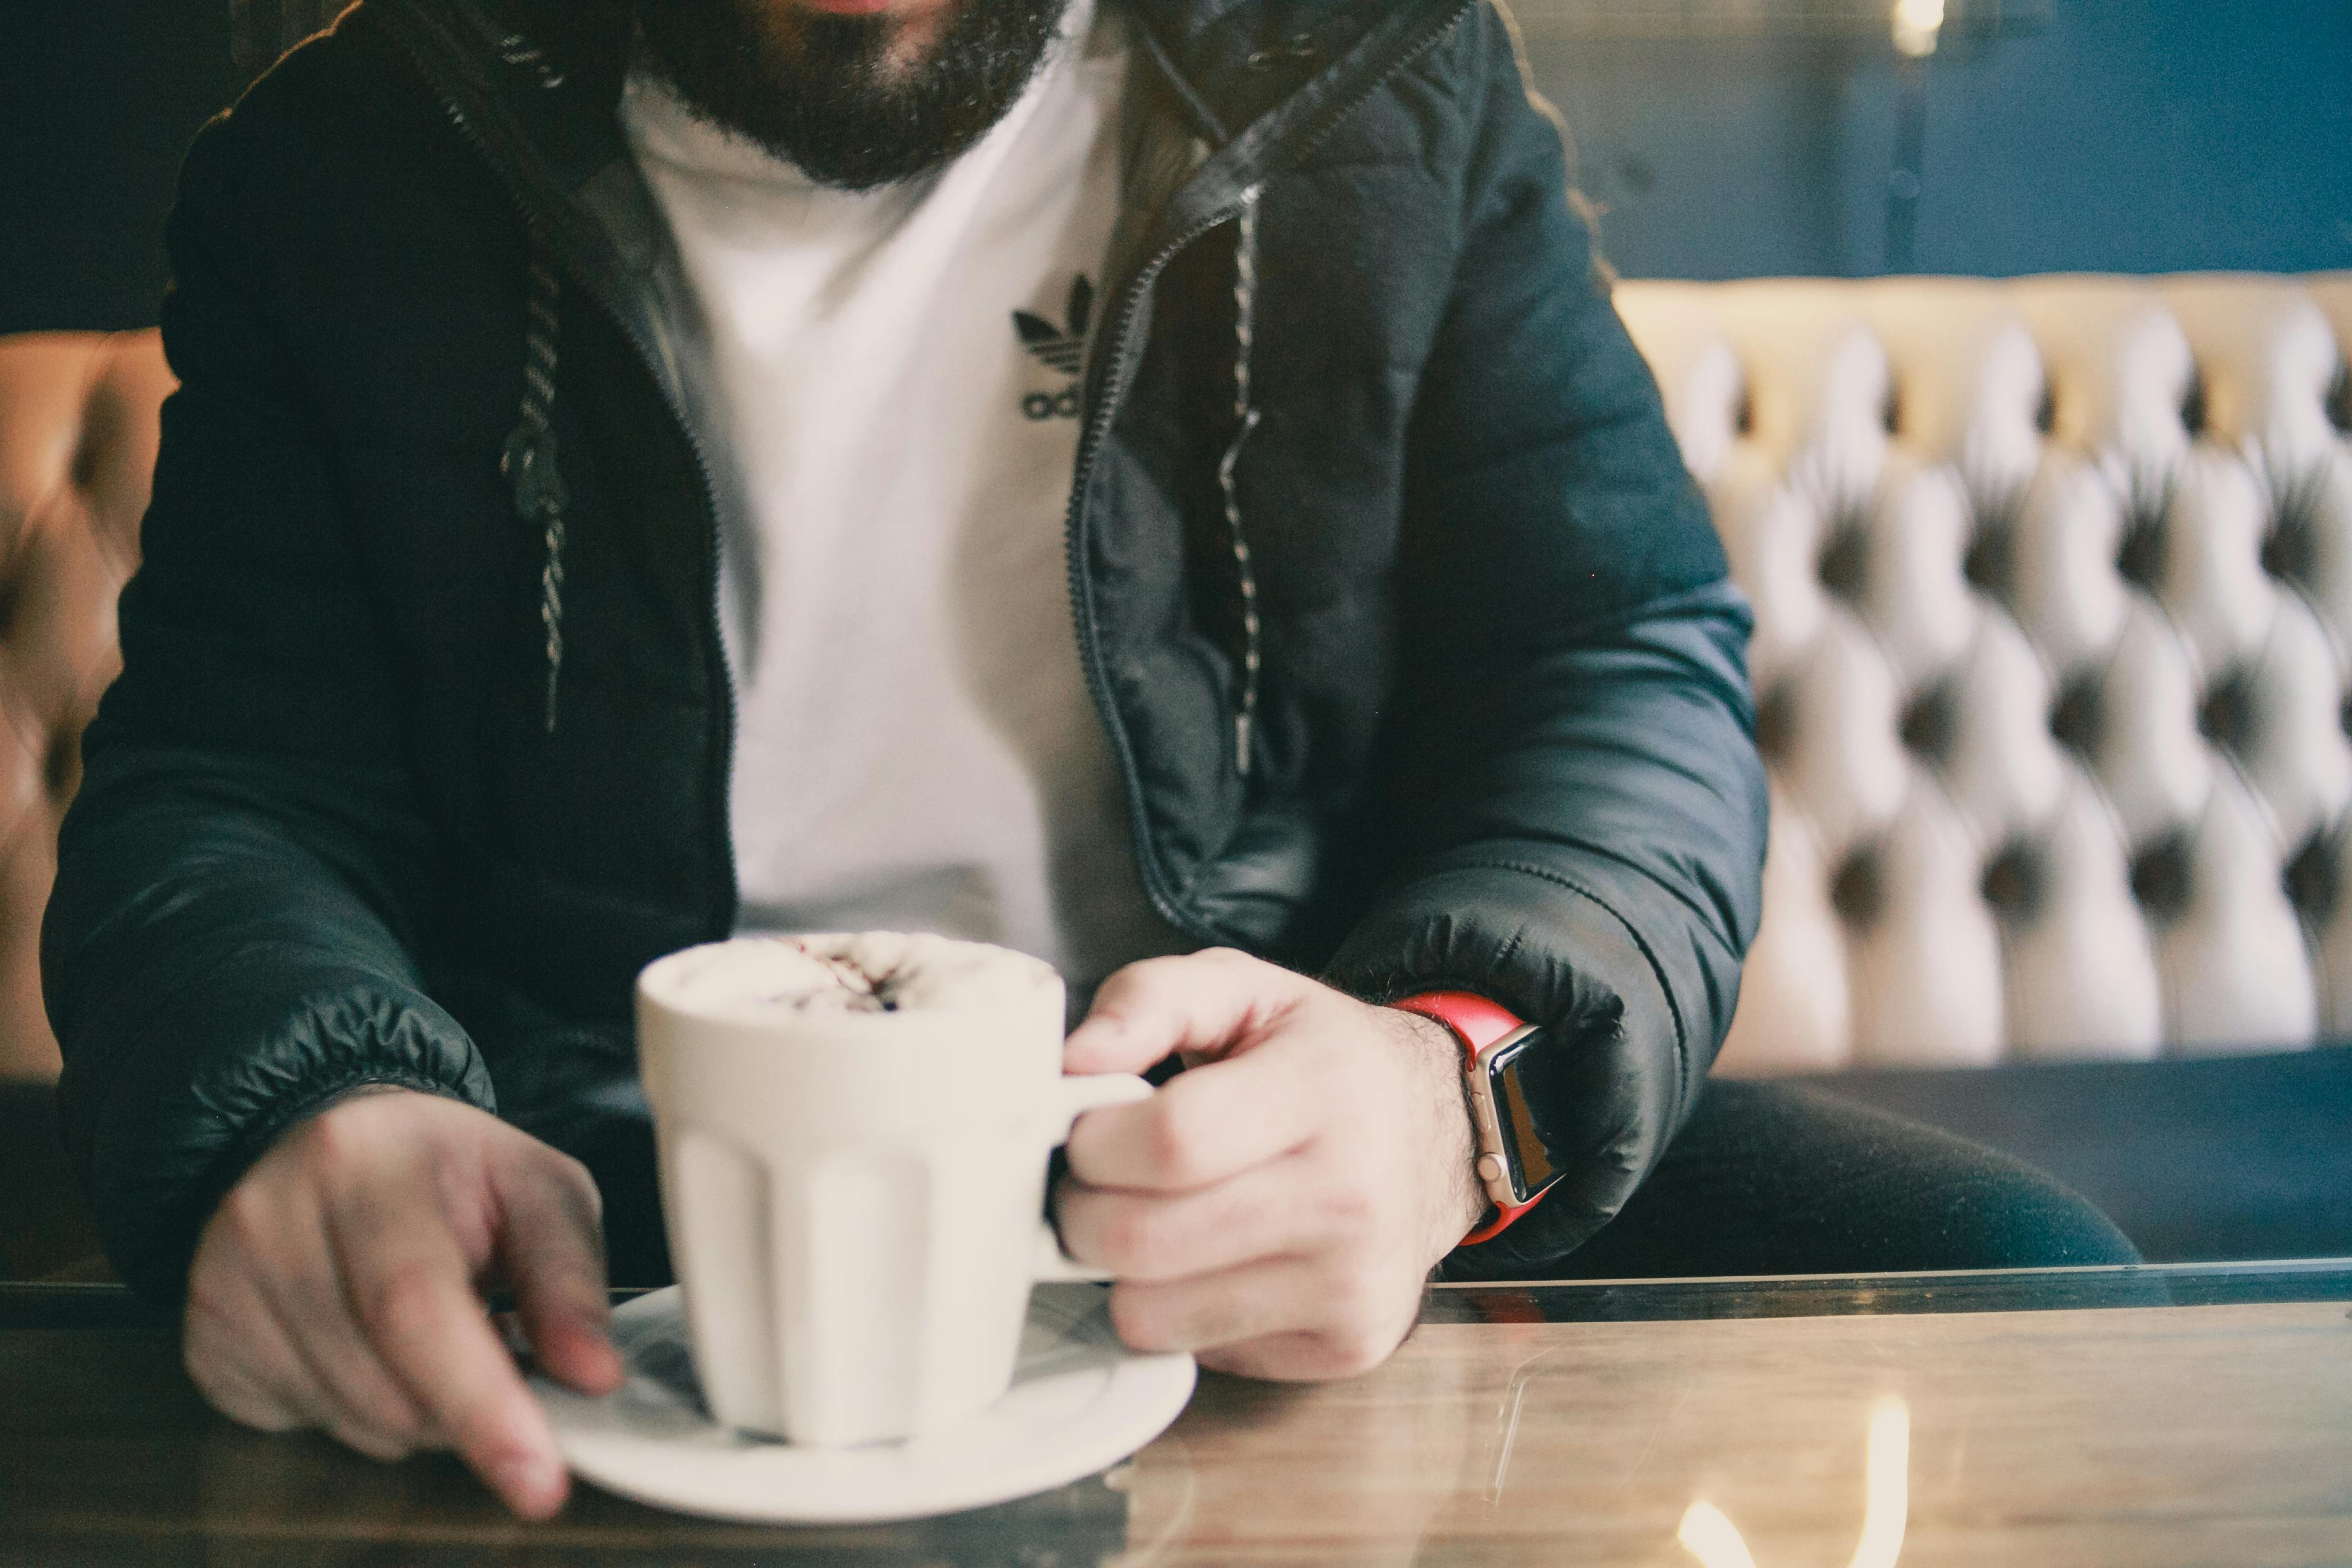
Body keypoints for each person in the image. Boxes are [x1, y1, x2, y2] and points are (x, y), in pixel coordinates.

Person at [43, 0, 2136, 1523]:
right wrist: (298, 1096)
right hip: (602, 1193)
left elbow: (1617, 656)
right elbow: (229, 785)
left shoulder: (1385, 82)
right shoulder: (340, 161)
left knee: (2045, 1310)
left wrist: (1449, 1087)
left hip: (1252, 1147)